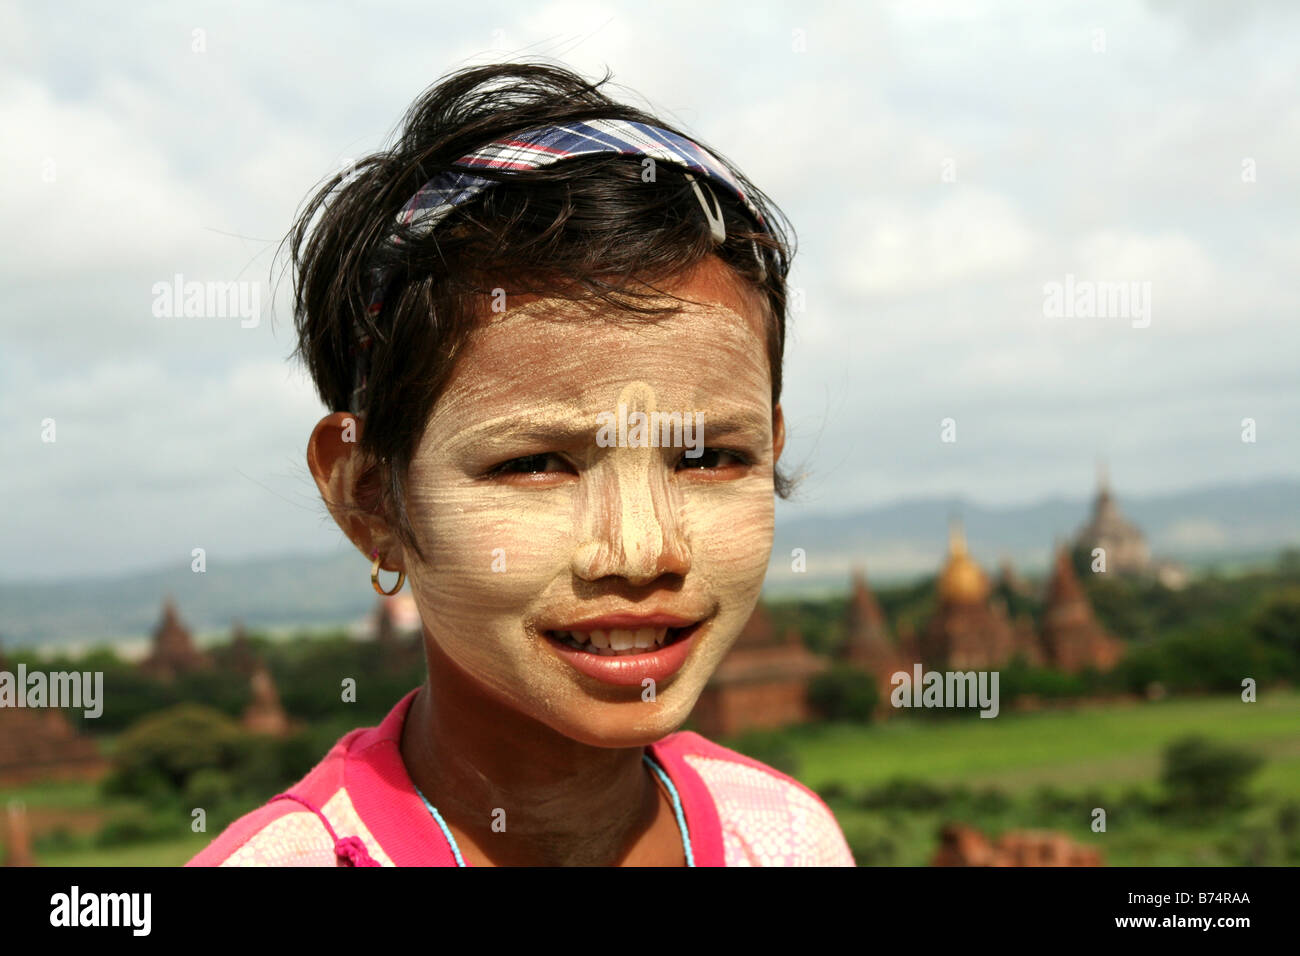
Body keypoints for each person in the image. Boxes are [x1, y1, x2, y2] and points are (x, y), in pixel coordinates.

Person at [189, 61, 853, 867]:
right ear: (371, 498)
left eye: (709, 456)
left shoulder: (785, 839)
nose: (644, 552)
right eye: (537, 464)